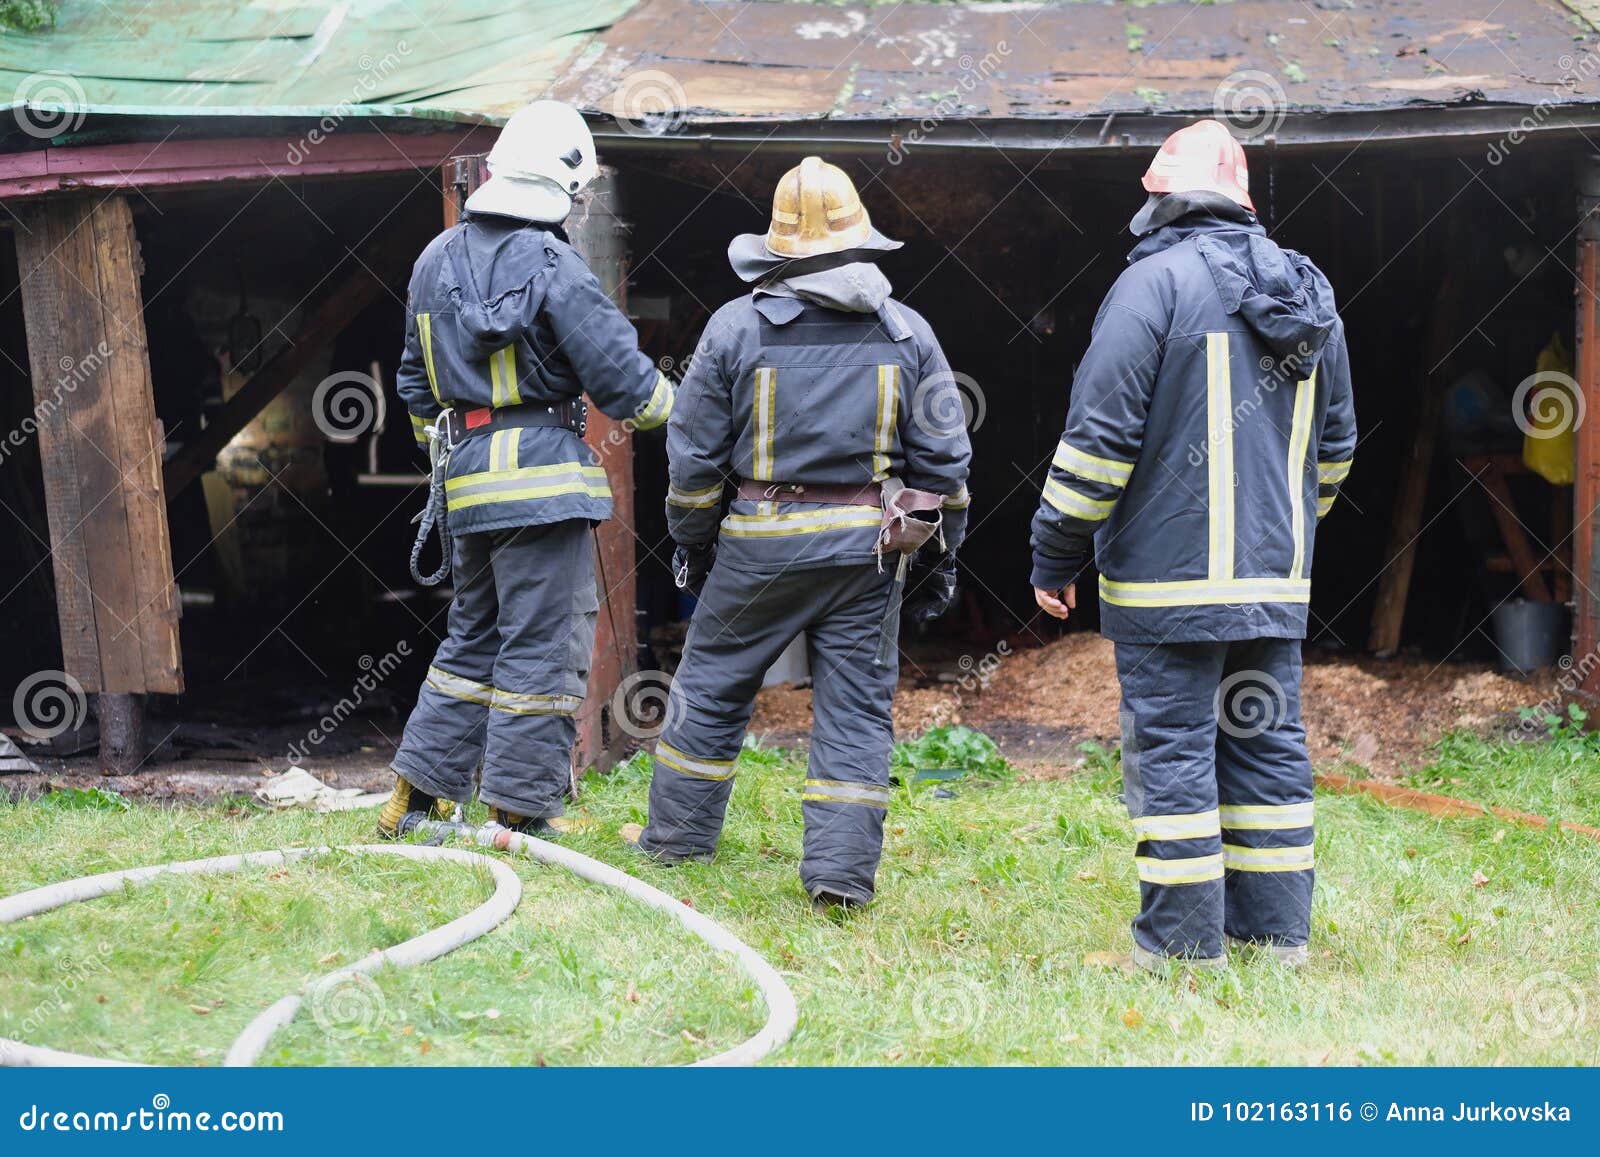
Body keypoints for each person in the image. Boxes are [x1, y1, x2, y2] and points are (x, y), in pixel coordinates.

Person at [1029, 119, 1356, 969]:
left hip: (1165, 592)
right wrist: (1282, 536)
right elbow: (1337, 449)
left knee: (1174, 757)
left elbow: (1097, 446)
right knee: (1267, 752)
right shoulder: (1310, 289)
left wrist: (1054, 555)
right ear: (1241, 199)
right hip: (1272, 588)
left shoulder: (1150, 287)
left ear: (1160, 198)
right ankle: (1277, 939)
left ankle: (1180, 950)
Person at [629, 157, 973, 910]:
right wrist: (942, 555)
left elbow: (691, 460)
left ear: (779, 249)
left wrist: (691, 540)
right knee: (855, 708)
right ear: (859, 239)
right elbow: (946, 462)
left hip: (759, 543)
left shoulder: (732, 329)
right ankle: (840, 879)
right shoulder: (908, 334)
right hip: (868, 553)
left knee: (711, 688)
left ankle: (677, 845)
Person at [378, 100, 673, 838]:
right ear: (562, 184)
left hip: (469, 487)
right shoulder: (556, 265)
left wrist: (452, 457)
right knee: (543, 646)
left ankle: (415, 798)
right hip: (544, 487)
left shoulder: (433, 260)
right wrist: (687, 408)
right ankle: (518, 812)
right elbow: (627, 387)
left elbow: (416, 386)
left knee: (470, 639)